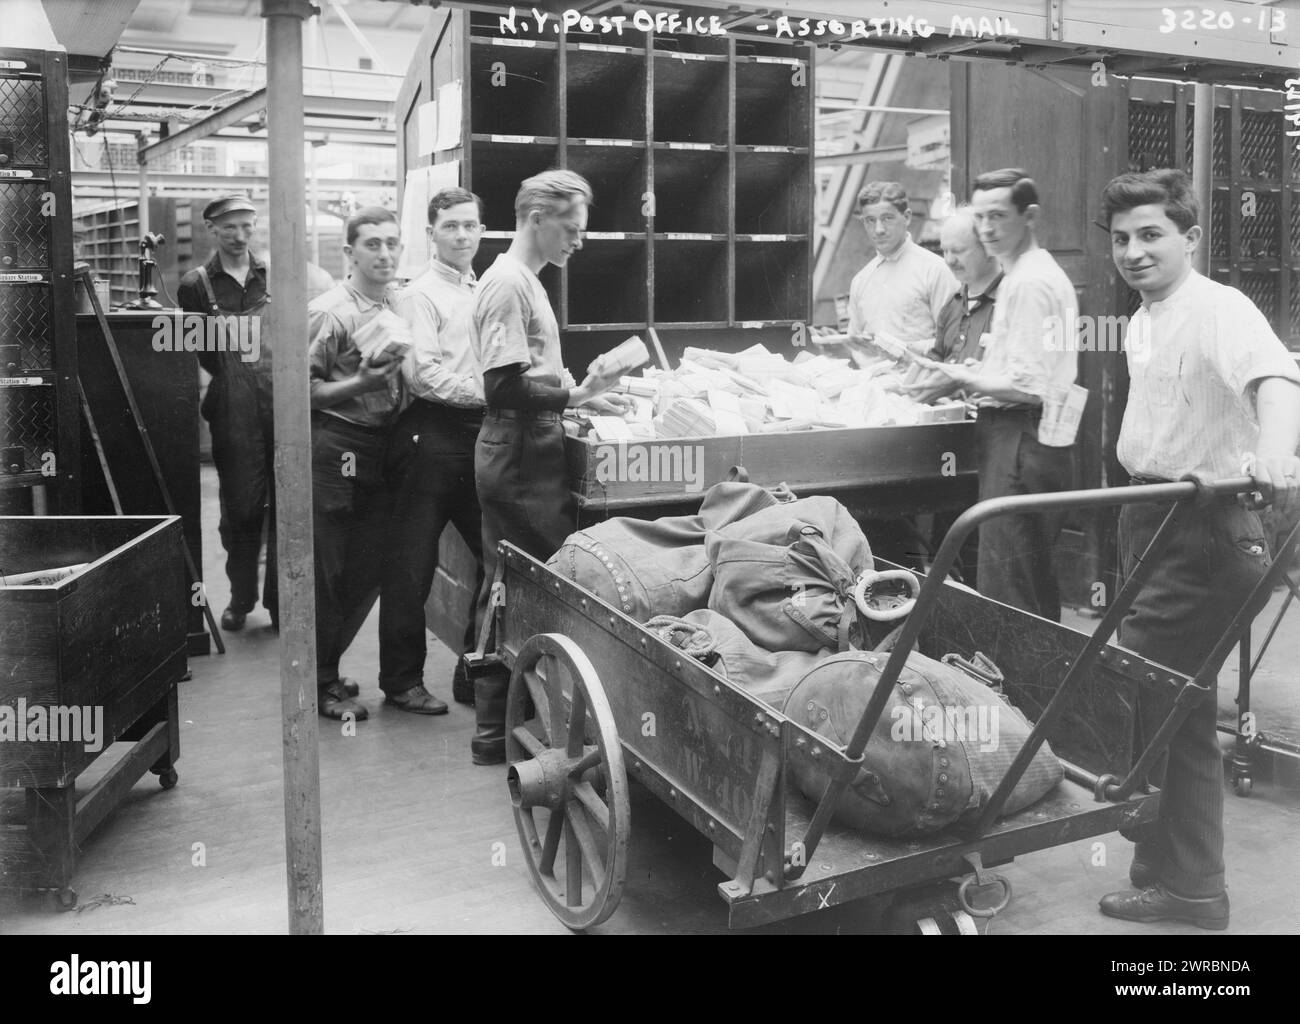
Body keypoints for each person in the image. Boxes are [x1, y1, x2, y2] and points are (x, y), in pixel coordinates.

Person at [1097, 168, 1300, 929]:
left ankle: (1190, 887)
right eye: (1121, 239)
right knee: (1166, 701)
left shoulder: (1220, 308)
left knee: (1164, 702)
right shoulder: (1142, 319)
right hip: (1148, 516)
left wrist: (1278, 453)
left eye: (1151, 235)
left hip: (1207, 527)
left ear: (1189, 238)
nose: (1134, 252)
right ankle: (1172, 873)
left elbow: (1279, 380)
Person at [467, 169, 626, 764]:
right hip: (520, 453)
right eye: (572, 229)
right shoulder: (508, 283)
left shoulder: (526, 281)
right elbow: (501, 387)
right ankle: (494, 732)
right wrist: (579, 395)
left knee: (514, 580)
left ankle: (504, 724)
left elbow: (524, 374)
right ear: (537, 217)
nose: (578, 241)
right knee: (516, 582)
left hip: (528, 445)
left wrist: (579, 394)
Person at [928, 169, 1078, 621]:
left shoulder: (1029, 282)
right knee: (1025, 575)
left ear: (1028, 215)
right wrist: (982, 370)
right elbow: (1030, 367)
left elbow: (1030, 387)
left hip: (1019, 436)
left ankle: (1019, 690)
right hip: (1028, 436)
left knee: (1009, 582)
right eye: (980, 218)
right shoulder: (1031, 272)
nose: (987, 229)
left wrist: (957, 376)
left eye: (998, 216)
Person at [378, 188, 488, 713]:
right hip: (429, 436)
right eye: (451, 227)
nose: (462, 235)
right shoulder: (417, 295)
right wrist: (494, 394)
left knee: (495, 556)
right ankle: (401, 682)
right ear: (432, 234)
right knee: (410, 566)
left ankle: (474, 669)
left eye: (470, 226)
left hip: (475, 436)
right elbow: (423, 376)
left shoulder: (481, 288)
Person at [307, 207, 406, 721]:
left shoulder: (398, 303)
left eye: (392, 243)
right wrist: (362, 385)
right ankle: (319, 680)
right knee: (329, 569)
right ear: (349, 252)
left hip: (382, 447)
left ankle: (324, 668)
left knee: (366, 569)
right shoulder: (330, 311)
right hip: (338, 444)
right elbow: (301, 391)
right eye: (372, 244)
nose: (385, 254)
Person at [178, 194, 277, 632]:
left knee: (287, 504)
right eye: (230, 227)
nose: (240, 236)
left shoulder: (275, 274)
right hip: (233, 408)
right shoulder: (194, 284)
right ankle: (241, 595)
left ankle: (280, 600)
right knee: (242, 508)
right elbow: (199, 351)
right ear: (212, 229)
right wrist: (236, 375)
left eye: (247, 226)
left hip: (279, 400)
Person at [898, 207, 1002, 404]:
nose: (949, 260)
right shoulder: (952, 305)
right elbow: (938, 361)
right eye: (944, 250)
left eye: (958, 251)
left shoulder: (1011, 301)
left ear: (988, 247)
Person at [846, 181, 957, 361]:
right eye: (870, 220)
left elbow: (952, 341)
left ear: (907, 217)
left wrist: (900, 348)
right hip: (871, 384)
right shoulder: (860, 280)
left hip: (919, 382)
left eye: (887, 218)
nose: (879, 229)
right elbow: (855, 344)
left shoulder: (936, 270)